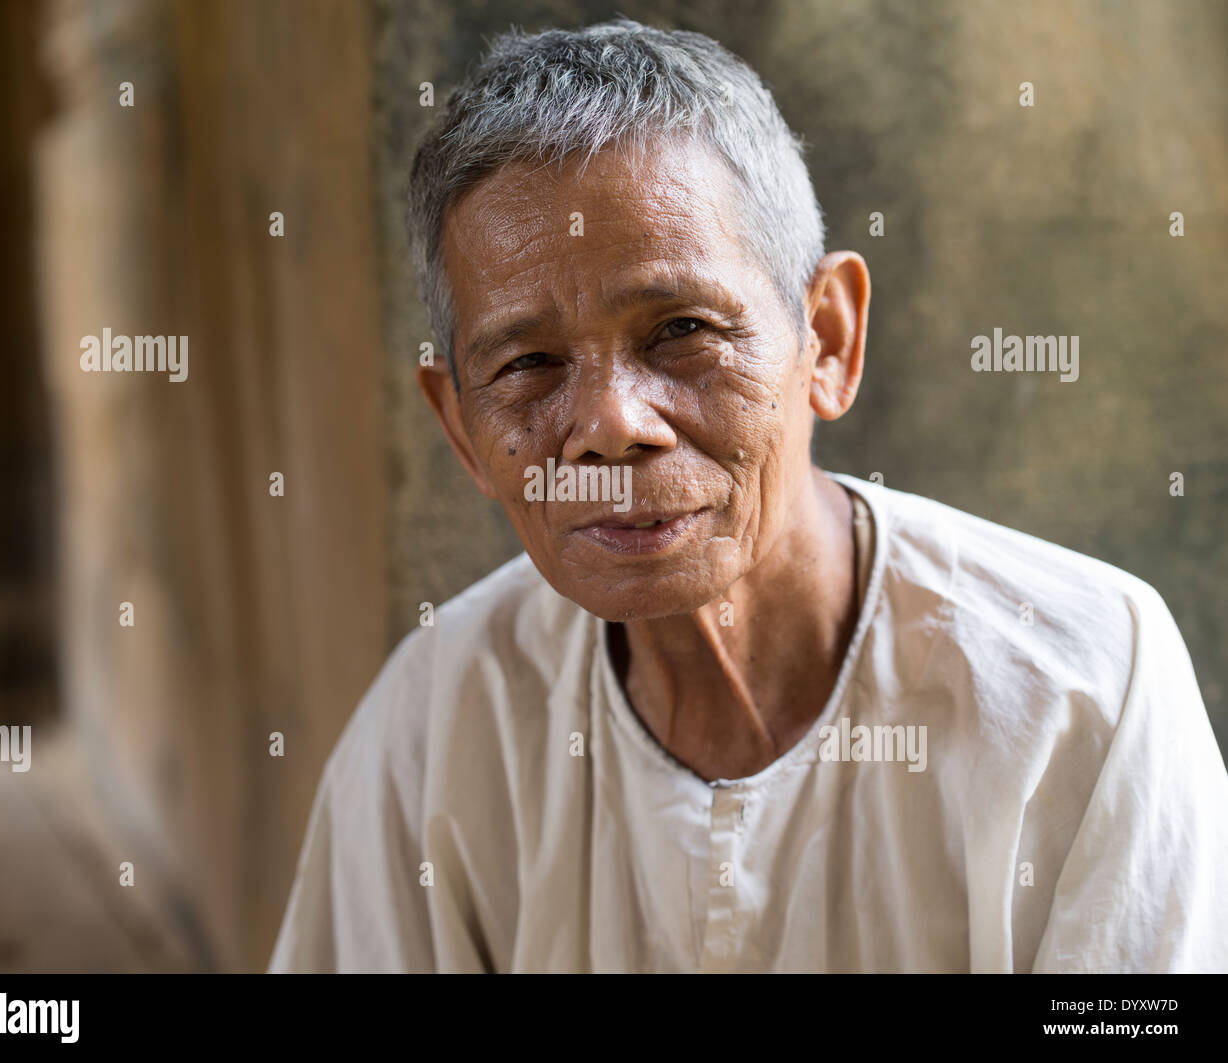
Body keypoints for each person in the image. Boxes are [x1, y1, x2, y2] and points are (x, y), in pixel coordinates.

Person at [269, 18, 1228, 973]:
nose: (611, 422)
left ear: (829, 339)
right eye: (528, 363)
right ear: (462, 430)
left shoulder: (1083, 691)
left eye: (680, 328)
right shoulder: (431, 734)